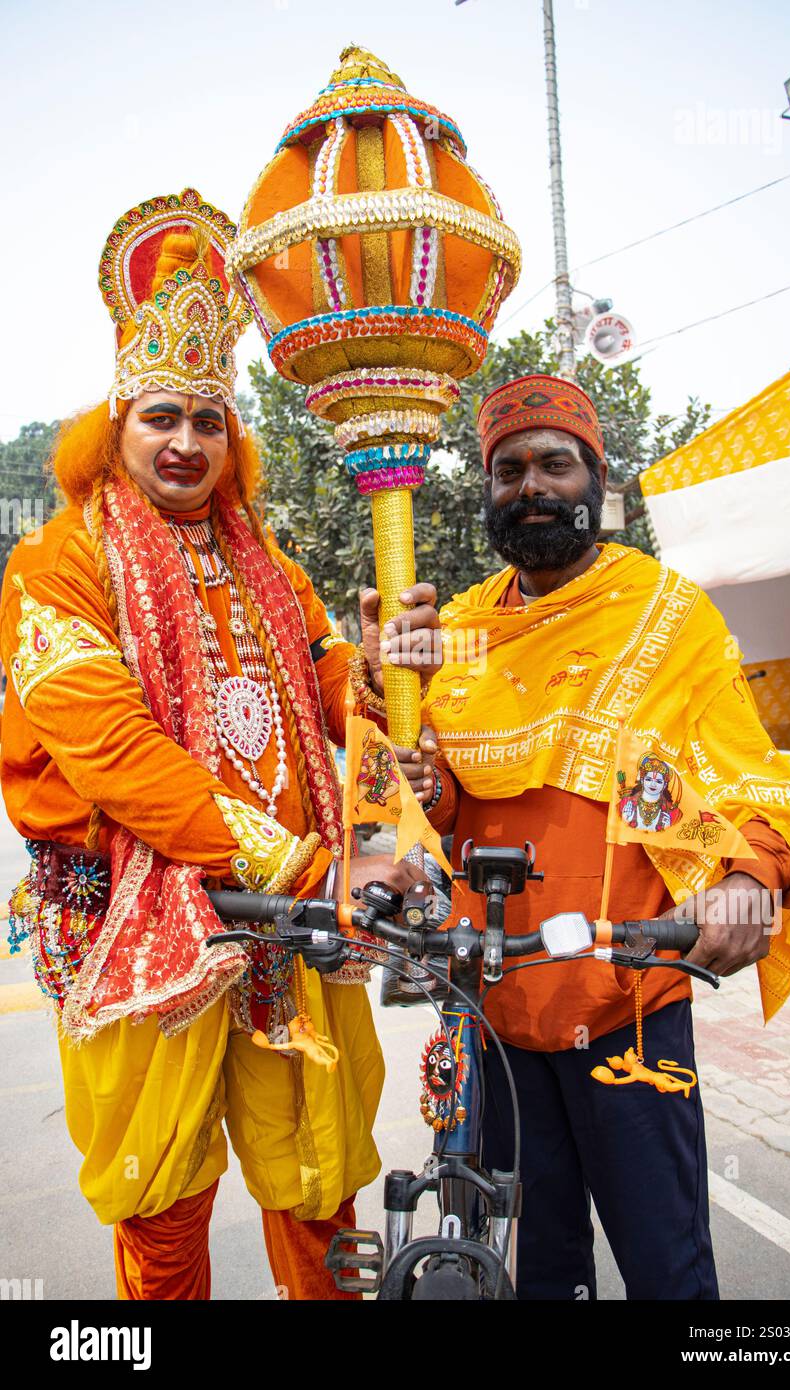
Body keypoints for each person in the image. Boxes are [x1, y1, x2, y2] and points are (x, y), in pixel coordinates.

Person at [0, 188, 440, 1301]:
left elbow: (332, 683)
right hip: (149, 921)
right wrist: (294, 862)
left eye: (207, 421)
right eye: (161, 418)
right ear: (116, 424)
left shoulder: (268, 561)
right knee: (161, 1198)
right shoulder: (56, 565)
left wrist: (394, 682)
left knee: (319, 1179)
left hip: (298, 922)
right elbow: (116, 752)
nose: (186, 442)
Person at [398, 373, 790, 1300]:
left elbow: (749, 776)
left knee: (667, 1270)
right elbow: (442, 800)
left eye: (556, 464)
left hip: (628, 1002)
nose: (532, 486)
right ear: (488, 490)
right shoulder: (457, 631)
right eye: (509, 470)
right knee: (536, 1273)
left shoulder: (671, 617)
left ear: (598, 484)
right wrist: (400, 721)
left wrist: (749, 875)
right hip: (493, 1012)